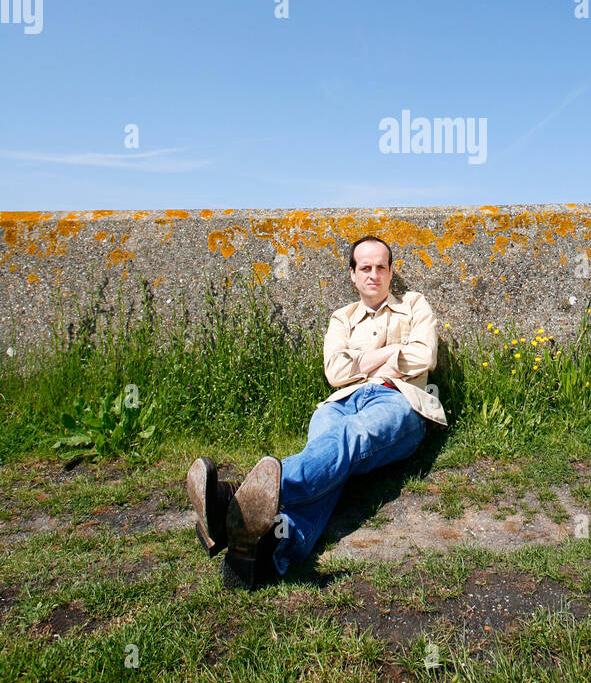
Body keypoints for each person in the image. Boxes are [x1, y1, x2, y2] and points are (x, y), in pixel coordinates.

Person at [185, 235, 447, 589]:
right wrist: (391, 353)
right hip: (341, 400)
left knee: (347, 437)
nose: (374, 274)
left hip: (398, 400)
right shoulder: (342, 317)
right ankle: (267, 553)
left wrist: (361, 363)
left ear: (390, 272)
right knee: (329, 463)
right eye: (365, 267)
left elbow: (423, 356)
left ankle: (232, 500)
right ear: (352, 274)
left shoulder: (415, 305)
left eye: (381, 267)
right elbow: (335, 373)